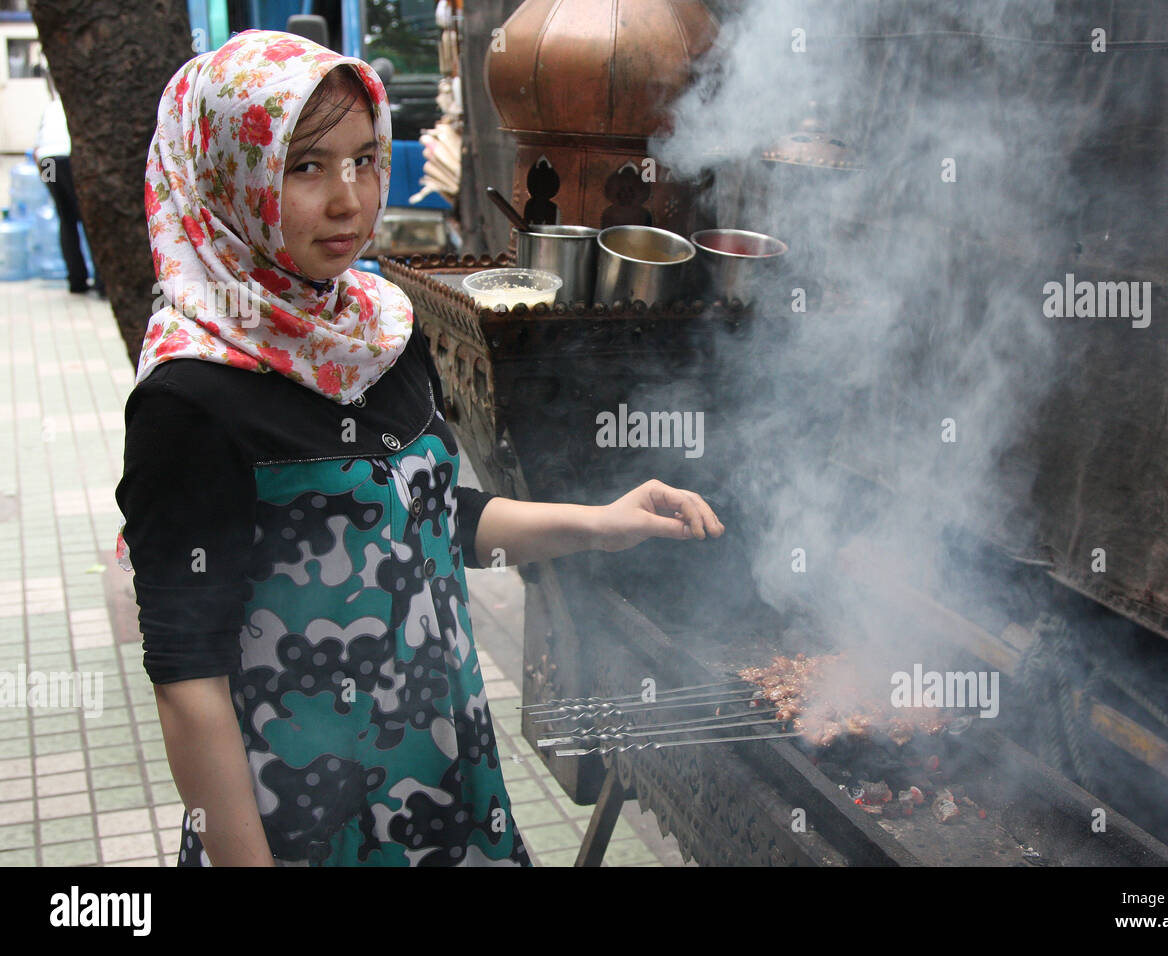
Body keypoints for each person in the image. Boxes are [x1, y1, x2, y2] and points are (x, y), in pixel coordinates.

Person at [113, 29, 724, 868]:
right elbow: (188, 684)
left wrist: (601, 522)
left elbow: (436, 514)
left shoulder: (378, 328)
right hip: (304, 825)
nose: (349, 199)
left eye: (365, 159)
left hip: (444, 785)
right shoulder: (191, 399)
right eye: (305, 166)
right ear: (227, 178)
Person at [33, 91, 93, 294]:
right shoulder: (78, 102)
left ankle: (76, 280)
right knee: (86, 215)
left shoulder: (50, 107)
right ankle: (101, 283)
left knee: (64, 216)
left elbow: (36, 146)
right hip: (67, 158)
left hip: (47, 160)